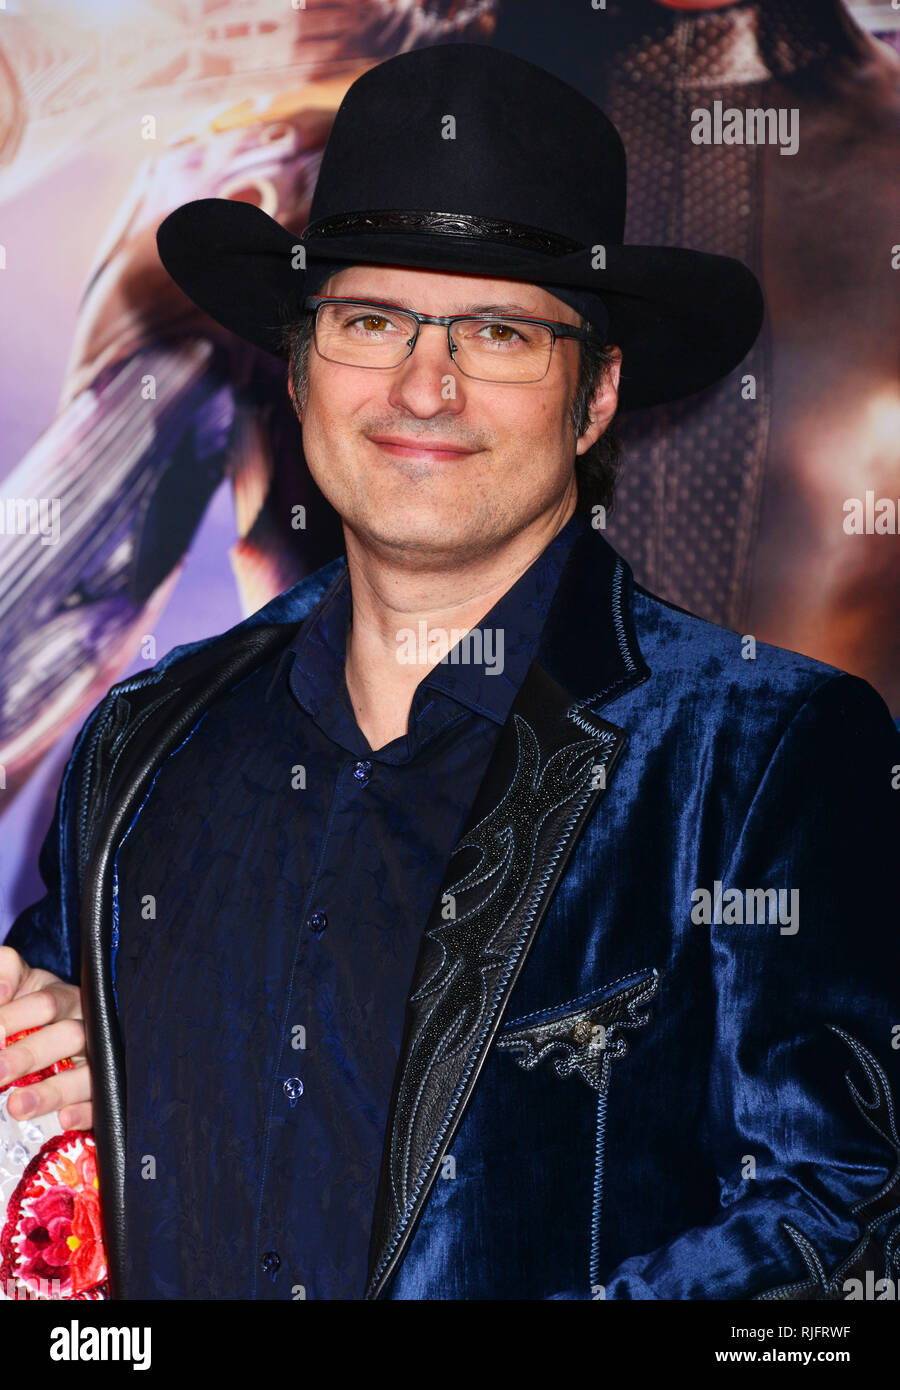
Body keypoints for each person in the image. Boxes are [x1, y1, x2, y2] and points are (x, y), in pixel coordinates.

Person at [2, 43, 897, 1301]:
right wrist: (51, 1066)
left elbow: (842, 1223)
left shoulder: (766, 753)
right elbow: (57, 1163)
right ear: (304, 363)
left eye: (498, 330)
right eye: (372, 320)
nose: (427, 383)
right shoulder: (141, 743)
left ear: (595, 398)